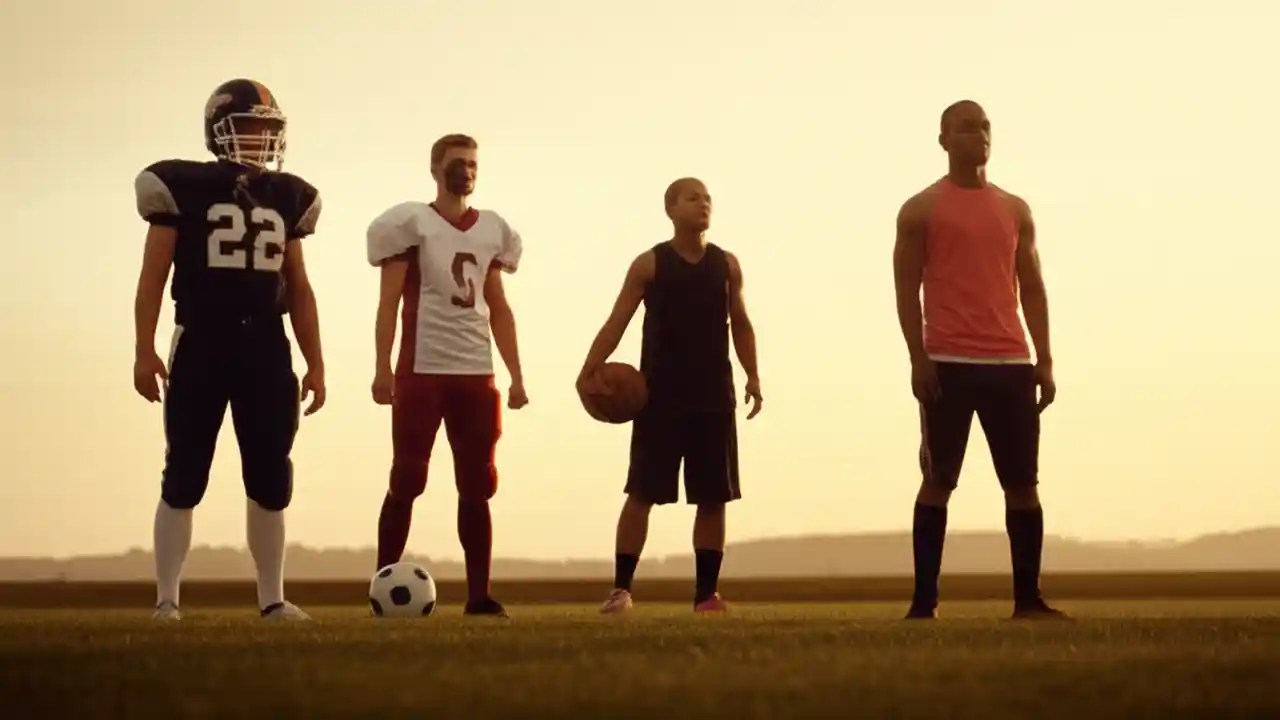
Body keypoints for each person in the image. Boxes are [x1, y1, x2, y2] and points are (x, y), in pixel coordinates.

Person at [131, 78, 326, 621]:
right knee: (185, 470)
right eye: (247, 127)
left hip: (266, 343)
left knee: (271, 474)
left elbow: (300, 286)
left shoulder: (287, 195)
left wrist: (316, 362)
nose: (259, 139)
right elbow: (153, 275)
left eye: (267, 129)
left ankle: (272, 600)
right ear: (217, 131)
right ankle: (167, 599)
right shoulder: (180, 186)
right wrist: (144, 349)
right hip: (202, 336)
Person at [892, 100, 1066, 620]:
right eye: (966, 127)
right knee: (939, 478)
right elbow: (905, 288)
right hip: (947, 359)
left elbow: (1032, 286)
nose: (979, 135)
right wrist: (917, 357)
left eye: (985, 126)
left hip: (1010, 361)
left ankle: (1028, 601)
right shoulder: (921, 209)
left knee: (1022, 483)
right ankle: (924, 604)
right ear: (944, 139)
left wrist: (1045, 358)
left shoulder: (1014, 209)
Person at [577, 177, 762, 614]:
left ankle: (706, 595)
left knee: (714, 497)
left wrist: (753, 374)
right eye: (692, 197)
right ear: (670, 209)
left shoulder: (727, 265)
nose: (703, 204)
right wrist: (589, 368)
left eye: (707, 198)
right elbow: (617, 319)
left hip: (714, 396)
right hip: (659, 397)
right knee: (642, 492)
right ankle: (621, 590)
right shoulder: (650, 264)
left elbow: (742, 323)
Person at [366, 133, 527, 618]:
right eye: (458, 162)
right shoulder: (411, 224)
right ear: (435, 169)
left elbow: (498, 306)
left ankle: (479, 595)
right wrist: (381, 368)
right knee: (408, 477)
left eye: (474, 162)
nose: (467, 170)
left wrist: (516, 374)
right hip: (422, 368)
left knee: (478, 484)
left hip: (476, 370)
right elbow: (388, 303)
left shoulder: (494, 228)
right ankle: (382, 585)